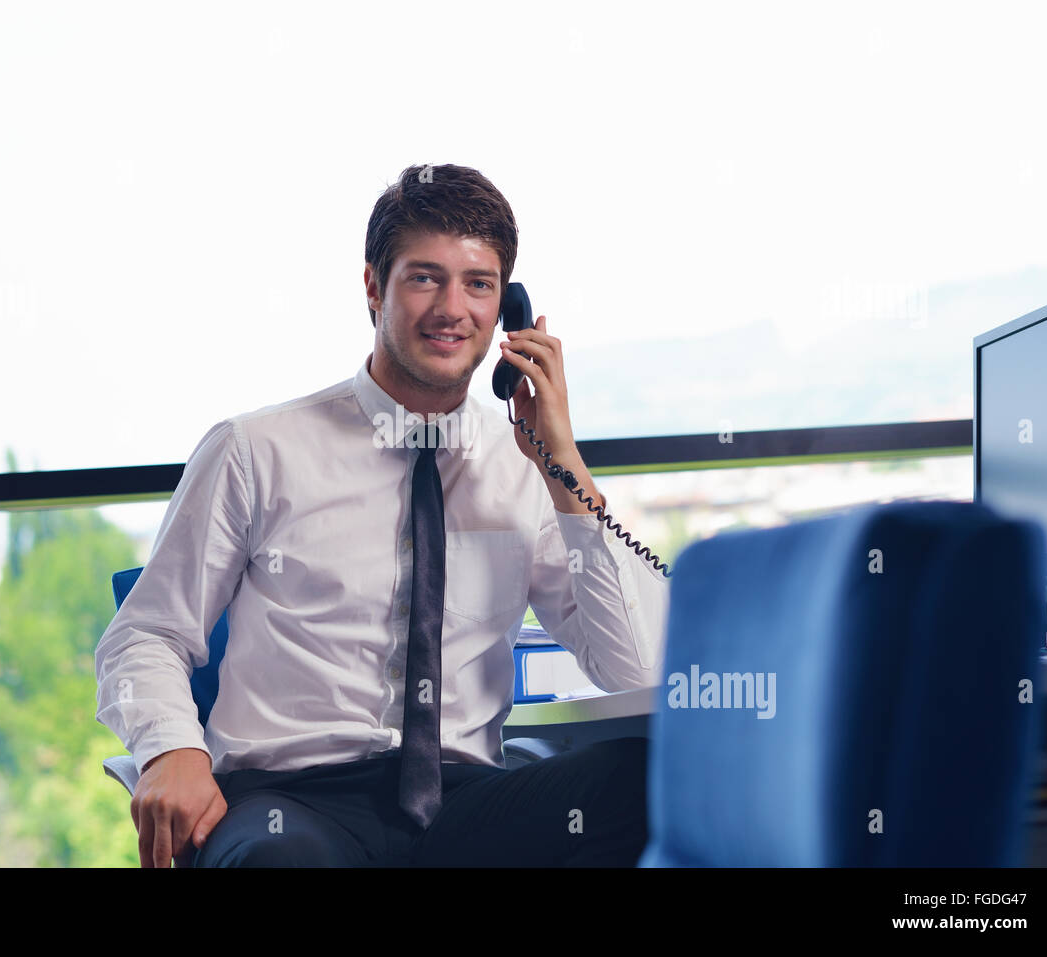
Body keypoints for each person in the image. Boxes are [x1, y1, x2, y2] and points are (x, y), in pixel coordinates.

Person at [94, 163, 670, 867]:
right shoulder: (256, 449)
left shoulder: (526, 469)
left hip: (462, 806)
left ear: (507, 308)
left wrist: (565, 468)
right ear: (374, 286)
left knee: (649, 783)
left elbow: (632, 665)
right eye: (425, 277)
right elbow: (145, 634)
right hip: (291, 800)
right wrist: (172, 750)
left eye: (478, 283)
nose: (452, 307)